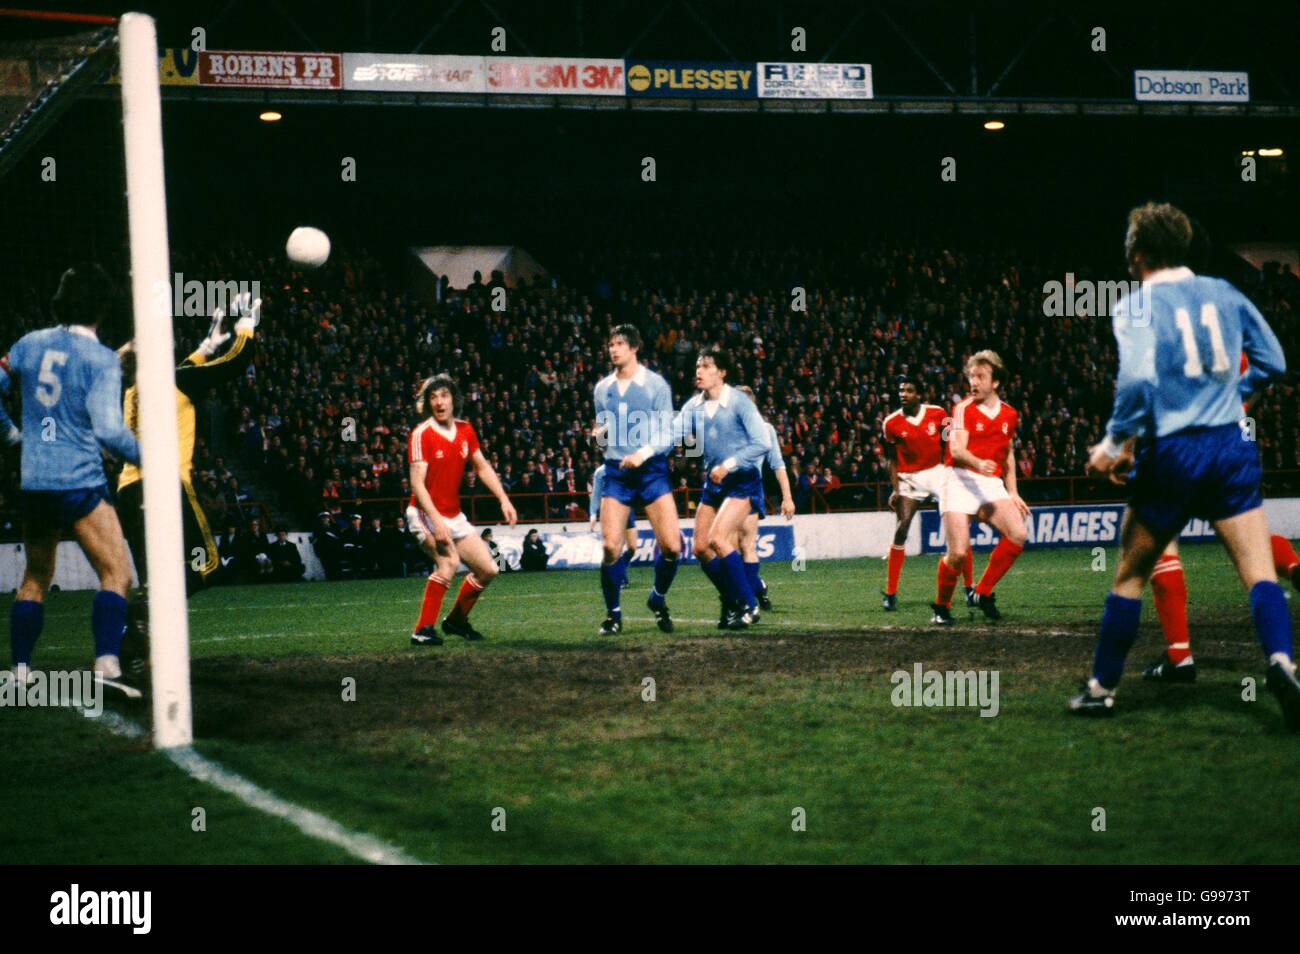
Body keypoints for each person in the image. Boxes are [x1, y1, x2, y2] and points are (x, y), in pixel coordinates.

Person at [1074, 201, 1299, 729]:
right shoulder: (1225, 292)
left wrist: (1111, 445)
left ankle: (1101, 689)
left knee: (1130, 573)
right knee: (1258, 571)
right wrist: (1233, 396)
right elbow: (1276, 363)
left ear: (1140, 252)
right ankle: (1282, 664)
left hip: (1172, 452)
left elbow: (1133, 384)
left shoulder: (1134, 306)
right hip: (1229, 448)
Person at [0, 264, 141, 695]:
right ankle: (105, 662)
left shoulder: (30, 343)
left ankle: (21, 671)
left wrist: (10, 435)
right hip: (78, 481)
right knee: (117, 573)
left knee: (36, 576)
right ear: (103, 305)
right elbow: (110, 431)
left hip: (34, 480)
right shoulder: (99, 359)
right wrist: (151, 456)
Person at [117, 292, 259, 633]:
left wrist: (207, 347)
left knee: (151, 574)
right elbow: (235, 364)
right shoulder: (175, 382)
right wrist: (247, 327)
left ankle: (138, 634)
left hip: (128, 490)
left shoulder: (131, 392)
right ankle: (153, 606)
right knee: (208, 563)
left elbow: (183, 372)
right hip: (166, 486)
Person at [406, 373, 518, 645]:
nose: (439, 402)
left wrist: (503, 498)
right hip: (423, 512)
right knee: (448, 564)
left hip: (453, 515)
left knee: (488, 570)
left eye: (444, 395)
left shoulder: (466, 430)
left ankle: (455, 621)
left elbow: (482, 467)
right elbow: (417, 485)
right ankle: (422, 630)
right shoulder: (421, 434)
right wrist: (436, 522)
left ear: (454, 399)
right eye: (433, 397)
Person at [668, 347, 769, 630]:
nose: (698, 371)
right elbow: (670, 435)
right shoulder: (693, 406)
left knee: (719, 539)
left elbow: (762, 442)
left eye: (706, 366)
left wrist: (730, 464)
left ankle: (749, 604)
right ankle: (732, 601)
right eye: (697, 366)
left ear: (721, 373)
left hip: (742, 480)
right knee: (700, 547)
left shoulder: (740, 403)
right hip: (714, 484)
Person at [592, 324, 683, 636]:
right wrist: (599, 436)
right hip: (617, 473)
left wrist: (643, 453)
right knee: (609, 547)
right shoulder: (602, 389)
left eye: (619, 344)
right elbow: (602, 433)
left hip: (651, 470)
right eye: (611, 344)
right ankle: (613, 614)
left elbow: (668, 432)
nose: (613, 349)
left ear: (634, 348)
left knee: (672, 546)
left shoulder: (656, 385)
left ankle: (657, 599)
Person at [930, 350, 1029, 625]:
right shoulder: (962, 409)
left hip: (989, 482)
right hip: (959, 479)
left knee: (1018, 534)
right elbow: (956, 449)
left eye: (980, 377)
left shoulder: (1010, 414)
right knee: (959, 553)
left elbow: (1008, 453)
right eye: (971, 376)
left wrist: (1013, 491)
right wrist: (978, 461)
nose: (974, 382)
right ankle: (941, 607)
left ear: (995, 382)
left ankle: (982, 593)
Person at [879, 375, 969, 611]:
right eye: (901, 390)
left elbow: (949, 445)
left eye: (909, 390)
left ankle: (970, 588)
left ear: (919, 394)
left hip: (938, 473)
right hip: (909, 478)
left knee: (957, 529)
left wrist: (954, 474)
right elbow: (891, 459)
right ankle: (890, 593)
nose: (903, 394)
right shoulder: (891, 423)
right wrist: (896, 489)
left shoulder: (938, 414)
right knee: (902, 528)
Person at [733, 386, 795, 616]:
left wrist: (787, 498)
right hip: (725, 490)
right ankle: (758, 587)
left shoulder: (765, 429)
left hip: (750, 488)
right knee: (729, 549)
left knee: (746, 545)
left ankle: (748, 603)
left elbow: (778, 464)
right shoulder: (726, 426)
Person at [589, 462, 636, 588]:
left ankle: (615, 572)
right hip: (611, 510)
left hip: (628, 508)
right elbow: (596, 494)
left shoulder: (628, 466)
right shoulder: (601, 472)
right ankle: (620, 578)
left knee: (632, 548)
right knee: (617, 547)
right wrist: (593, 513)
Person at [312, 511, 343, 581]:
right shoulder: (317, 529)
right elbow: (315, 542)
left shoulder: (335, 527)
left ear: (329, 518)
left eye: (327, 517)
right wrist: (318, 552)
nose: (325, 519)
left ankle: (339, 579)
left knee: (337, 566)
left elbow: (339, 539)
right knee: (327, 567)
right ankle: (330, 579)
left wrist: (340, 550)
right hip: (324, 551)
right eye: (323, 518)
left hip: (335, 551)